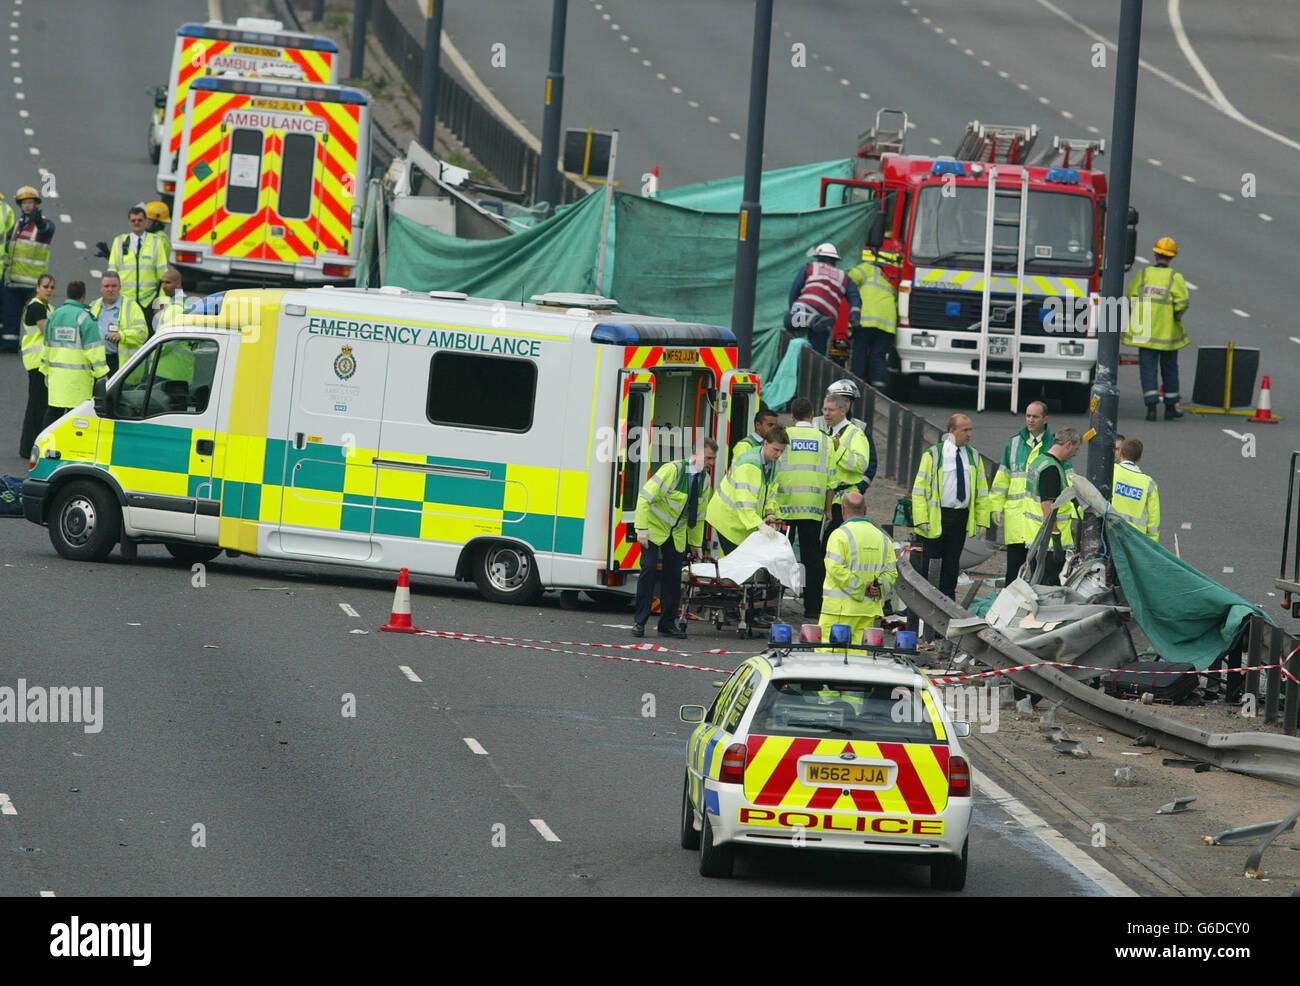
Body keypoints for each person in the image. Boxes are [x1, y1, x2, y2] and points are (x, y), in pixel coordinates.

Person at [632, 439, 718, 639]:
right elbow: (645, 497)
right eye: (708, 458)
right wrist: (641, 528)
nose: (711, 463)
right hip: (654, 527)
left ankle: (667, 624)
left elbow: (698, 515)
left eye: (713, 459)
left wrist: (696, 544)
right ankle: (640, 622)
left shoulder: (704, 480)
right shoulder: (673, 470)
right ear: (695, 455)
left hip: (676, 532)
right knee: (649, 568)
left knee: (673, 577)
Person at [911, 414, 992, 599]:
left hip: (960, 517)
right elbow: (920, 489)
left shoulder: (973, 456)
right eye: (965, 430)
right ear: (952, 431)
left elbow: (981, 492)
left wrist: (981, 520)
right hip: (937, 517)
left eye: (970, 430)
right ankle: (926, 600)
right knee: (930, 563)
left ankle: (948, 600)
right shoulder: (934, 454)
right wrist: (922, 519)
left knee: (952, 563)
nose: (969, 434)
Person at [776, 397, 833, 618]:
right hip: (812, 508)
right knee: (812, 559)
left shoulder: (783, 436)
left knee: (780, 557)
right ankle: (812, 609)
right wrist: (828, 510)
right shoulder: (824, 440)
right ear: (812, 416)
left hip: (784, 507)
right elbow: (831, 479)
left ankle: (774, 605)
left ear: (792, 416)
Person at [820, 491, 897, 644]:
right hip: (867, 612)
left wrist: (861, 588)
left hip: (839, 610)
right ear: (865, 510)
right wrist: (877, 587)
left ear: (842, 510)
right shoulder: (882, 538)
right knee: (860, 659)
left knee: (829, 656)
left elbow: (835, 568)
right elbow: (891, 573)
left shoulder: (839, 535)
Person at [989, 400, 1053, 586]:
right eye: (1028, 416)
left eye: (1035, 416)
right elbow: (1003, 478)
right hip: (1016, 519)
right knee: (1013, 573)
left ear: (1045, 419)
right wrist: (996, 507)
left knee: (1038, 574)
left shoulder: (1053, 444)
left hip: (1039, 521)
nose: (1030, 420)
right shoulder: (1014, 443)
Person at [1125, 236, 1188, 421]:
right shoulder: (1175, 278)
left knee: (1148, 370)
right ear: (1172, 256)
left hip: (1145, 332)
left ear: (1155, 254)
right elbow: (1182, 303)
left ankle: (1151, 408)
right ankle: (1170, 408)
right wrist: (1174, 317)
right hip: (1167, 334)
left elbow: (1132, 297)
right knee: (1170, 369)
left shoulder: (1144, 275)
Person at [706, 425, 788, 554]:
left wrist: (770, 514)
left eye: (782, 451)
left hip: (742, 521)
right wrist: (760, 525)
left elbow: (771, 493)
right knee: (738, 565)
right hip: (728, 520)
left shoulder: (774, 463)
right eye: (776, 449)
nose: (778, 454)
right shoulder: (750, 465)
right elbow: (744, 502)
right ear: (765, 444)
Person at [41, 280, 107, 428]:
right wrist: (103, 375)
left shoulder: (54, 316)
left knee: (52, 417)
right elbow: (94, 350)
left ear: (67, 294)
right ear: (83, 296)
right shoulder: (85, 318)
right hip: (79, 382)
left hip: (57, 379)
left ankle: (45, 446)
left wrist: (45, 371)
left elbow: (46, 346)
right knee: (76, 422)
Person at [1025, 427, 1084, 585]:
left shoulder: (1039, 461)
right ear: (1068, 445)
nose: (1075, 454)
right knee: (1048, 588)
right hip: (1048, 544)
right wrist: (1056, 537)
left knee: (1037, 584)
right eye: (1076, 449)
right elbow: (1047, 506)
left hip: (1035, 537)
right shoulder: (1051, 469)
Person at [2, 185, 56, 354]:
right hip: (13, 282)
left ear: (36, 204)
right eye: (24, 203)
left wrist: (38, 222)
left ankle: (39, 349)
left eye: (30, 202)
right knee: (9, 319)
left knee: (35, 319)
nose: (27, 206)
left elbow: (47, 231)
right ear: (19, 205)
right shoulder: (16, 225)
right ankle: (9, 345)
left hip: (33, 285)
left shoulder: (45, 223)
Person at [819, 385, 874, 546]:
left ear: (843, 411)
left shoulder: (855, 433)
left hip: (843, 500)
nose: (826, 414)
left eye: (831, 410)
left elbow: (861, 464)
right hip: (826, 498)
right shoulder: (826, 432)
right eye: (824, 410)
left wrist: (839, 450)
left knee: (834, 544)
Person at [786, 242, 862, 356]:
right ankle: (816, 323)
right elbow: (855, 298)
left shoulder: (811, 267)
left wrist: (793, 309)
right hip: (828, 315)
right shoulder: (844, 277)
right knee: (817, 352)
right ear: (835, 260)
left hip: (807, 306)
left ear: (819, 257)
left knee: (789, 320)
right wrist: (854, 317)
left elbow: (795, 289)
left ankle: (813, 320)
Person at [99, 204, 169, 310]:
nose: (136, 223)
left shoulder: (156, 242)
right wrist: (110, 299)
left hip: (148, 301)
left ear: (146, 221)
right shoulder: (119, 241)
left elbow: (163, 275)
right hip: (124, 300)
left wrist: (163, 301)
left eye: (140, 220)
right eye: (133, 220)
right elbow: (112, 273)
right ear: (129, 222)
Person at [847, 250, 897, 389]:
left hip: (867, 321)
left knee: (860, 351)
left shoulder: (867, 268)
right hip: (887, 326)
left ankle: (857, 385)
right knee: (878, 356)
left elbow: (848, 278)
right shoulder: (887, 284)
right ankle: (879, 387)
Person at [17, 273, 54, 457]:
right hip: (37, 363)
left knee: (38, 404)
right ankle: (28, 448)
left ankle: (28, 447)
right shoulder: (37, 307)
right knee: (38, 406)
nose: (49, 290)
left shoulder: (48, 308)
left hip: (42, 363)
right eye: (46, 286)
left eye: (52, 287)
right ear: (38, 288)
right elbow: (47, 331)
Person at [89, 270, 150, 375]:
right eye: (107, 286)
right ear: (101, 288)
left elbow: (143, 333)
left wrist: (122, 336)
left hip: (121, 365)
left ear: (120, 288)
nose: (110, 289)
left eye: (114, 286)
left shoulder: (131, 306)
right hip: (98, 363)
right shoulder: (93, 306)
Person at [1112, 437, 1161, 542]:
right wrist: (1151, 545)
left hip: (1110, 533)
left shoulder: (1111, 472)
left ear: (1120, 452)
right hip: (1136, 540)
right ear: (1139, 458)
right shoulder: (1149, 484)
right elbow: (1153, 522)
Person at [152, 267, 186, 332]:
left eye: (168, 283)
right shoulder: (178, 301)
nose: (163, 286)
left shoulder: (177, 306)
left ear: (178, 284)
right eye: (162, 282)